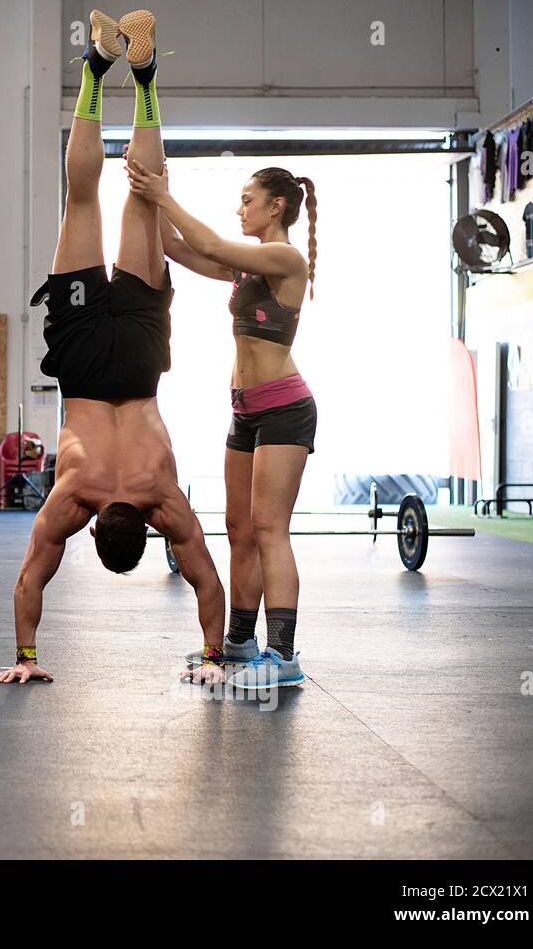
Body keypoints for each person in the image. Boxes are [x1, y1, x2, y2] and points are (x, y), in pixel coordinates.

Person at [0, 8, 226, 686]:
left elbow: (206, 580)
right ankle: (98, 70)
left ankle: (146, 80)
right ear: (95, 530)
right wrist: (25, 658)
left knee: (143, 203)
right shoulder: (75, 495)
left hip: (141, 359)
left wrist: (213, 657)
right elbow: (30, 577)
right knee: (82, 201)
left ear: (146, 530)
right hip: (85, 364)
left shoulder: (164, 500)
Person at [125, 155, 317, 691]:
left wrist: (164, 196)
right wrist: (147, 187)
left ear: (276, 206)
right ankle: (239, 642)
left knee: (269, 529)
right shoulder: (251, 263)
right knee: (238, 531)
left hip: (284, 408)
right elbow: (180, 248)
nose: (240, 209)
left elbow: (208, 244)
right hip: (245, 413)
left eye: (247, 200)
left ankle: (282, 656)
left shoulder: (283, 257)